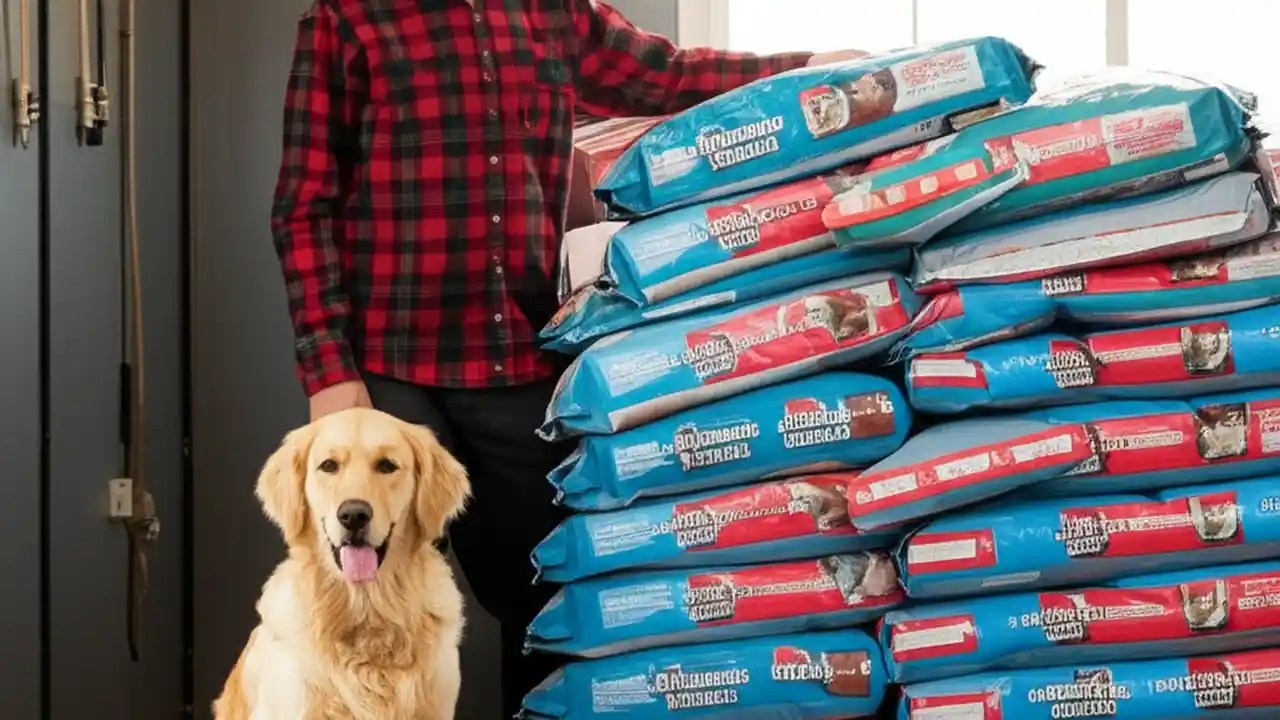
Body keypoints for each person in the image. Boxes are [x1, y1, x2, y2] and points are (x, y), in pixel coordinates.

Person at [270, 0, 865, 713]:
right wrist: (328, 371)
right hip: (388, 375)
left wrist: (805, 71)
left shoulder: (551, 11)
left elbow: (664, 75)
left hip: (519, 367)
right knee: (366, 614)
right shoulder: (348, 16)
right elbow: (304, 206)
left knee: (549, 613)